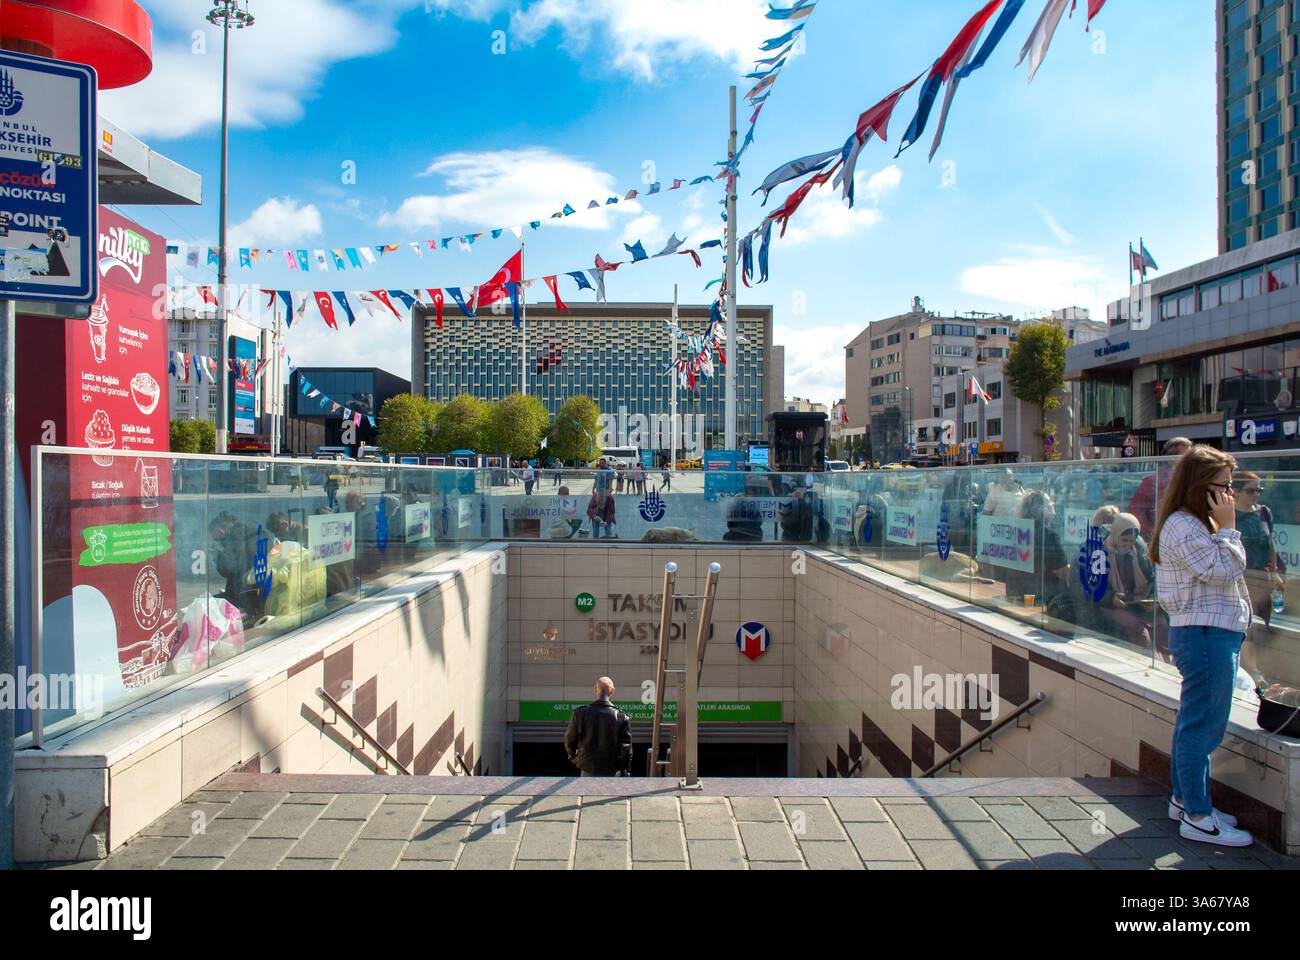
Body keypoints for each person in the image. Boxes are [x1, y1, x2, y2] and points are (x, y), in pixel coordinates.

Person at [1152, 445, 1254, 847]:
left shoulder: (1191, 523)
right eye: (1224, 486)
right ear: (1202, 487)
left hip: (1207, 632)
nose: (1230, 494)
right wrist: (1229, 527)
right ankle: (1197, 816)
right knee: (1203, 727)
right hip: (1205, 634)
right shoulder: (1185, 525)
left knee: (1194, 721)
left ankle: (1186, 800)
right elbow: (1222, 569)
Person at [1234, 470, 1285, 685]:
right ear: (1235, 492)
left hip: (1260, 574)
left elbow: (1270, 541)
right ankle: (1253, 672)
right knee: (1248, 623)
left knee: (1262, 621)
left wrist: (1274, 572)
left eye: (1259, 490)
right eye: (1250, 490)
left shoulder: (1264, 512)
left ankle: (1256, 668)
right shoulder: (1229, 515)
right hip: (1241, 575)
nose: (1256, 494)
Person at [565, 677, 632, 777]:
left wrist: (573, 756)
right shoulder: (621, 717)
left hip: (587, 769)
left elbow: (570, 738)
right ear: (612, 691)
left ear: (595, 689)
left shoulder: (580, 713)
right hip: (612, 771)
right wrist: (625, 771)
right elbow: (626, 748)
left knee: (587, 792)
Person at [1129, 437, 1193, 539]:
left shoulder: (1191, 480)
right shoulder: (1153, 481)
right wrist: (1152, 533)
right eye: (1186, 457)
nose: (1190, 461)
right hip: (1161, 535)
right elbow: (1136, 509)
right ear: (1171, 459)